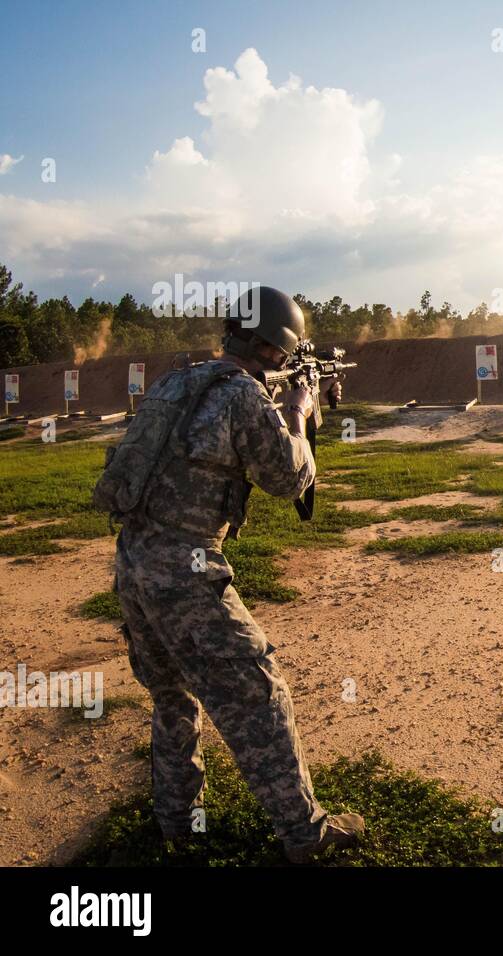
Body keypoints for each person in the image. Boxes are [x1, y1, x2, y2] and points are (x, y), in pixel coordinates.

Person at [94, 286, 364, 863]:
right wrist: (300, 409)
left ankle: (176, 822)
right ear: (276, 347)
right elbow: (289, 479)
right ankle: (304, 834)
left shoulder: (178, 382)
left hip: (133, 563)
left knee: (172, 699)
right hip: (184, 571)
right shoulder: (244, 397)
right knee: (260, 694)